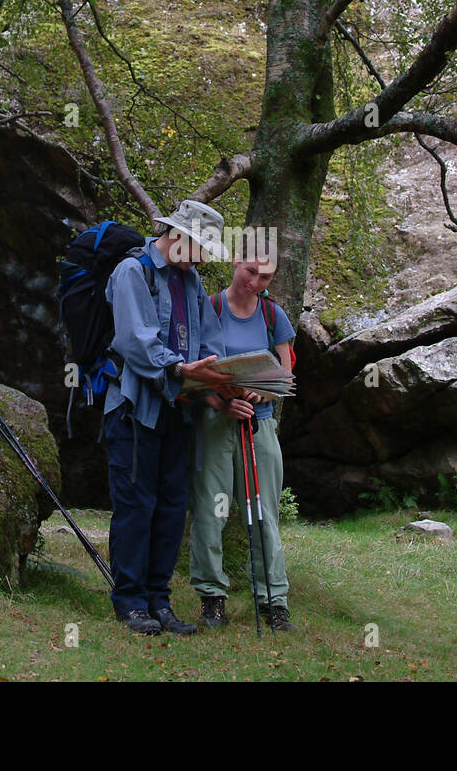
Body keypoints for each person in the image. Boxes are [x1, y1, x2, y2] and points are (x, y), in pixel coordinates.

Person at [103, 200, 233, 636]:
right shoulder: (132, 273)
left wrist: (226, 377)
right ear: (177, 236)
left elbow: (209, 338)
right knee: (136, 505)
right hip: (135, 410)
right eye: (198, 247)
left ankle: (159, 601)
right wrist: (180, 369)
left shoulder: (190, 280)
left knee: (172, 507)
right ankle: (129, 602)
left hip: (179, 411)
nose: (200, 257)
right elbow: (134, 341)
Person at [188, 235, 298, 631]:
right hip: (217, 424)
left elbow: (285, 373)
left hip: (259, 423)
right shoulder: (210, 308)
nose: (256, 282)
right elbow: (193, 374)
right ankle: (212, 597)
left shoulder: (273, 317)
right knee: (211, 511)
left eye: (266, 277)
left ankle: (273, 600)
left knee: (263, 514)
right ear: (237, 262)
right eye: (252, 271)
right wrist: (220, 402)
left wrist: (260, 389)